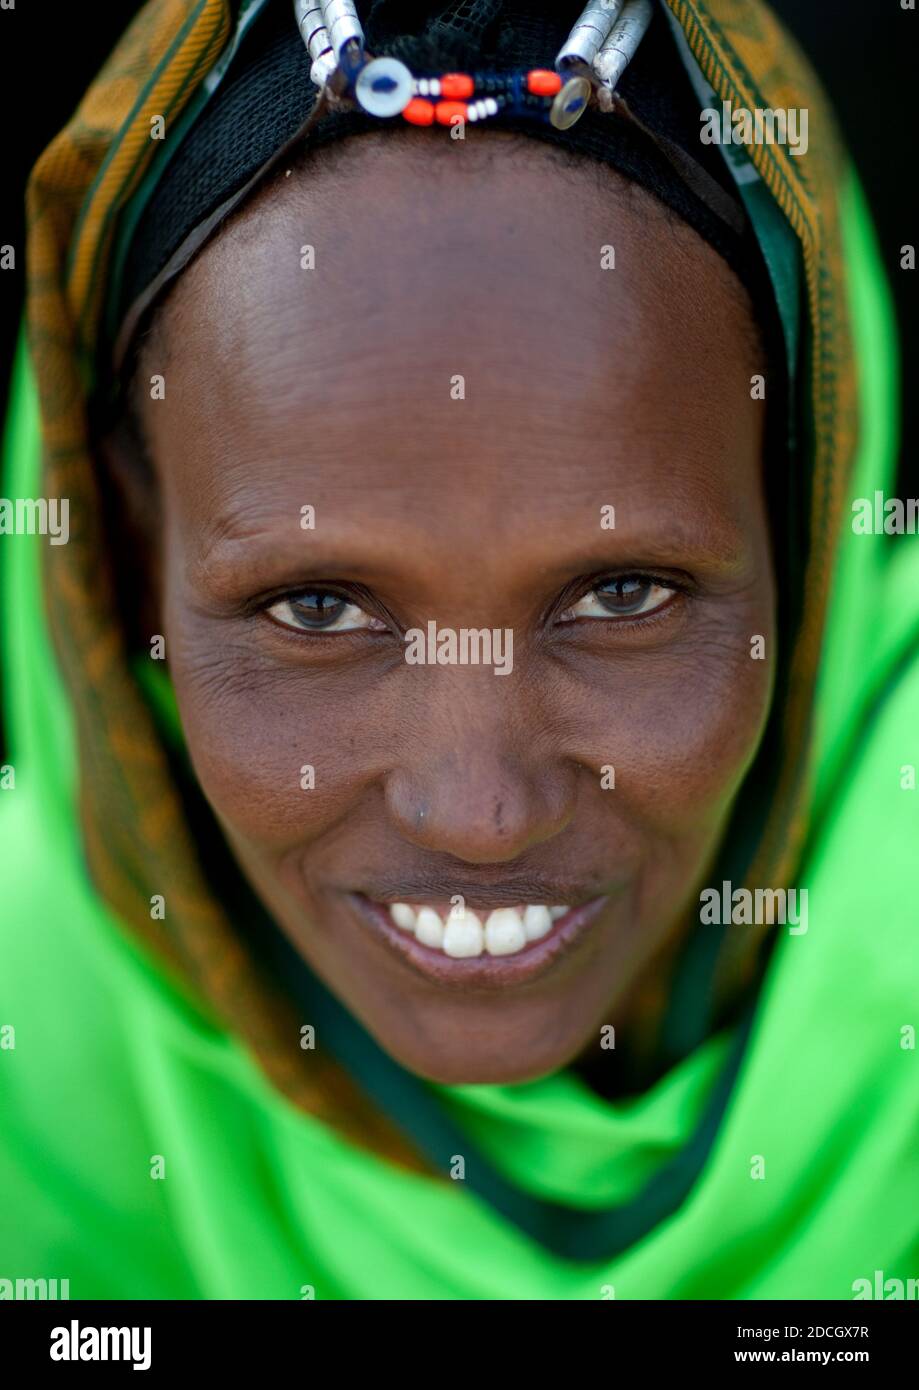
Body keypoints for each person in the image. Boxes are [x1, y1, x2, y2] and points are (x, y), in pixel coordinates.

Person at [1, 0, 916, 1298]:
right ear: (122, 563)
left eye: (621, 594)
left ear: (806, 540)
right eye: (318, 609)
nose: (481, 811)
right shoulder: (34, 1040)